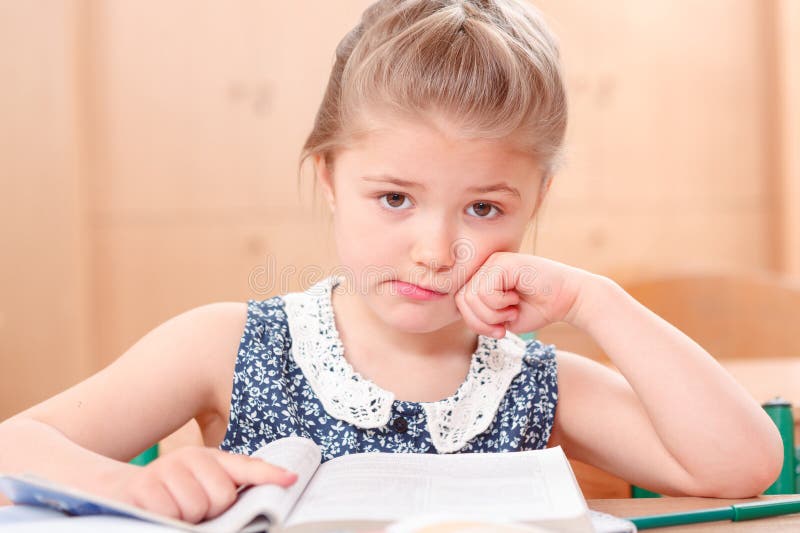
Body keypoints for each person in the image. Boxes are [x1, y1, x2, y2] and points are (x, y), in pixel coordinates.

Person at [0, 0, 783, 525]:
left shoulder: (532, 381)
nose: (436, 251)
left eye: (485, 209)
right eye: (395, 199)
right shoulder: (229, 345)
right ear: (330, 178)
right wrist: (125, 483)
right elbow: (14, 444)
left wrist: (598, 302)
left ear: (533, 204)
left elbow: (744, 465)